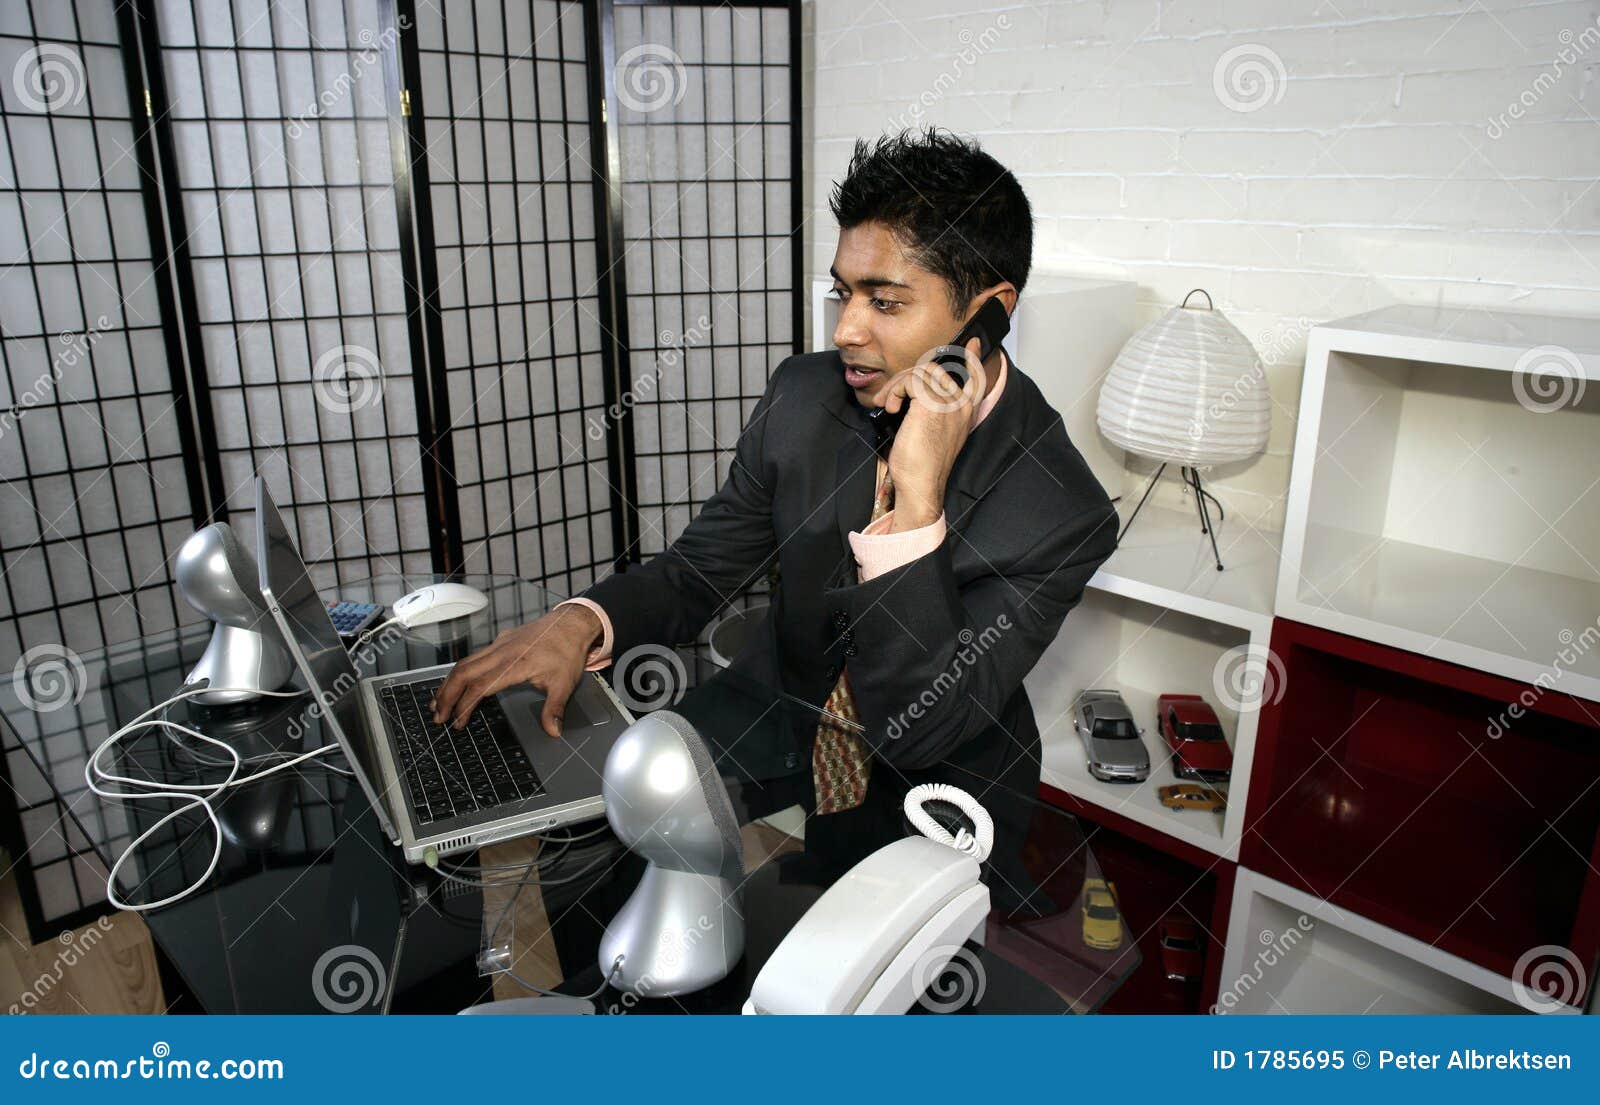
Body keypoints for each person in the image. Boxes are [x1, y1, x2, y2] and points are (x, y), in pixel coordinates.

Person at [430, 128, 1117, 845]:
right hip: (782, 699)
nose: (845, 329)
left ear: (987, 313)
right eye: (843, 292)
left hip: (931, 766)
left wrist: (918, 503)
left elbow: (924, 723)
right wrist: (580, 620)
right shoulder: (802, 396)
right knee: (607, 815)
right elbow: (699, 569)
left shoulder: (1064, 512)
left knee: (848, 941)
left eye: (885, 303)